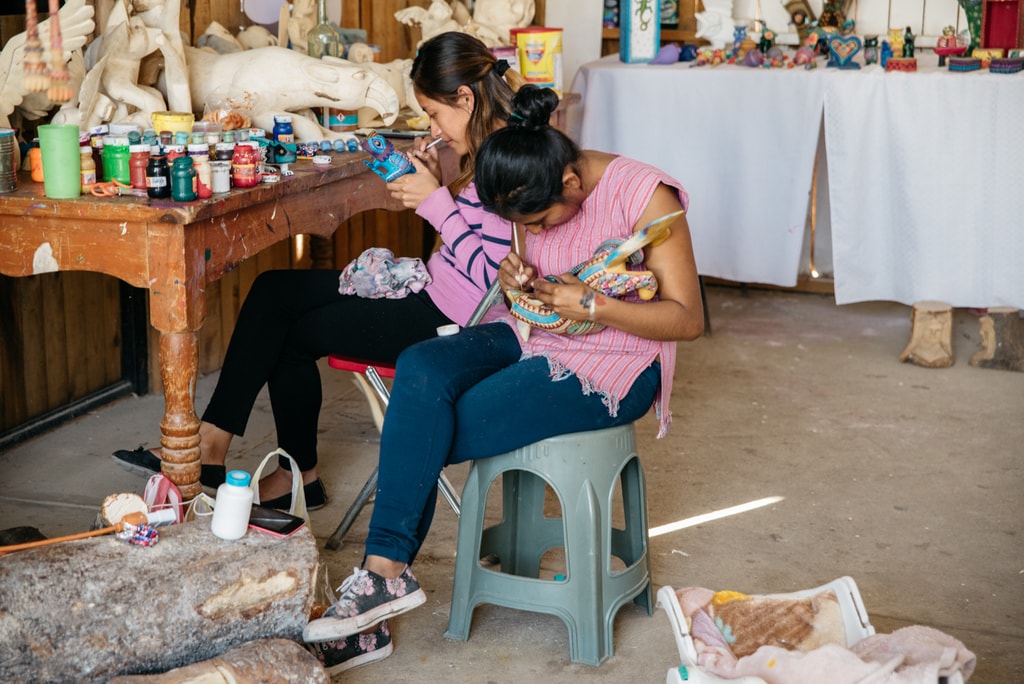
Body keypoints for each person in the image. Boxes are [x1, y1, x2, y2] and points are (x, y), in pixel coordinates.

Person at [302, 86, 705, 652]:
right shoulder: (524, 171)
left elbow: (687, 319)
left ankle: (380, 582)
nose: (538, 234)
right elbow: (529, 275)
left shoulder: (646, 196)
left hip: (616, 359)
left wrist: (597, 306)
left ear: (571, 184)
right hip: (533, 330)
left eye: (540, 222)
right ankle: (385, 580)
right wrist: (519, 280)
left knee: (434, 424)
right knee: (421, 367)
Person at [113, 31, 523, 512]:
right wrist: (441, 181)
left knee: (291, 333)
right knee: (273, 291)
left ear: (467, 98)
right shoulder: (485, 147)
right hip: (429, 289)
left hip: (455, 321)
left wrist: (435, 203)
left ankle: (286, 473)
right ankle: (225, 447)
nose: (433, 125)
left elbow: (494, 278)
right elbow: (471, 238)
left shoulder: (508, 160)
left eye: (434, 113)